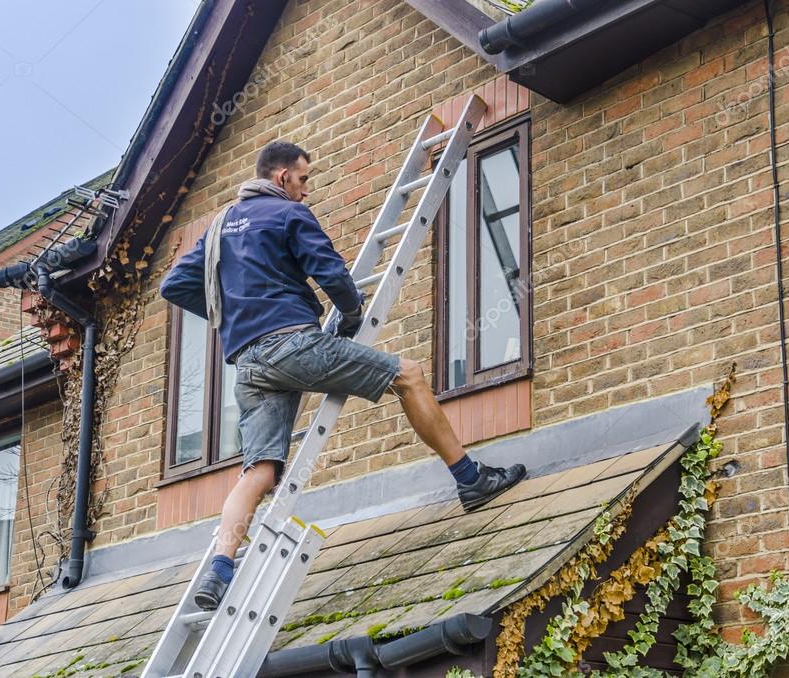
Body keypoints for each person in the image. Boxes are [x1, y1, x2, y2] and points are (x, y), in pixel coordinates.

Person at [159, 140, 526, 611]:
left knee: (260, 471)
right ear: (281, 178)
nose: (307, 190)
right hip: (291, 344)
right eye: (304, 178)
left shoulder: (218, 227)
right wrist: (350, 315)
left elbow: (174, 285)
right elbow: (330, 272)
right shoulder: (288, 214)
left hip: (247, 364)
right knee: (409, 376)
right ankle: (471, 478)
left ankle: (220, 567)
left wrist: (229, 312)